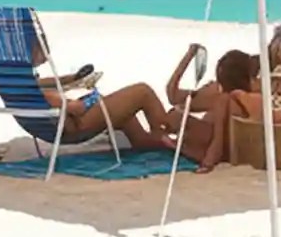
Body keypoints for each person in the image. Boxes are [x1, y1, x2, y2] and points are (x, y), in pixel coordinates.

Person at [29, 39, 177, 153]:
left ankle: (145, 140)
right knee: (143, 91)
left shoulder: (19, 82)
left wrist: (73, 79)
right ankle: (165, 136)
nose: (47, 56)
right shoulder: (43, 93)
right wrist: (90, 99)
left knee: (123, 110)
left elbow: (45, 84)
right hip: (75, 125)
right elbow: (77, 108)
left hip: (58, 124)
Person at [163, 46, 258, 172]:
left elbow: (173, 95)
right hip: (227, 147)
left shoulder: (223, 98)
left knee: (174, 117)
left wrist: (189, 55)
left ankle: (187, 148)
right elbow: (175, 96)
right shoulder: (247, 96)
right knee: (175, 116)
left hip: (216, 148)